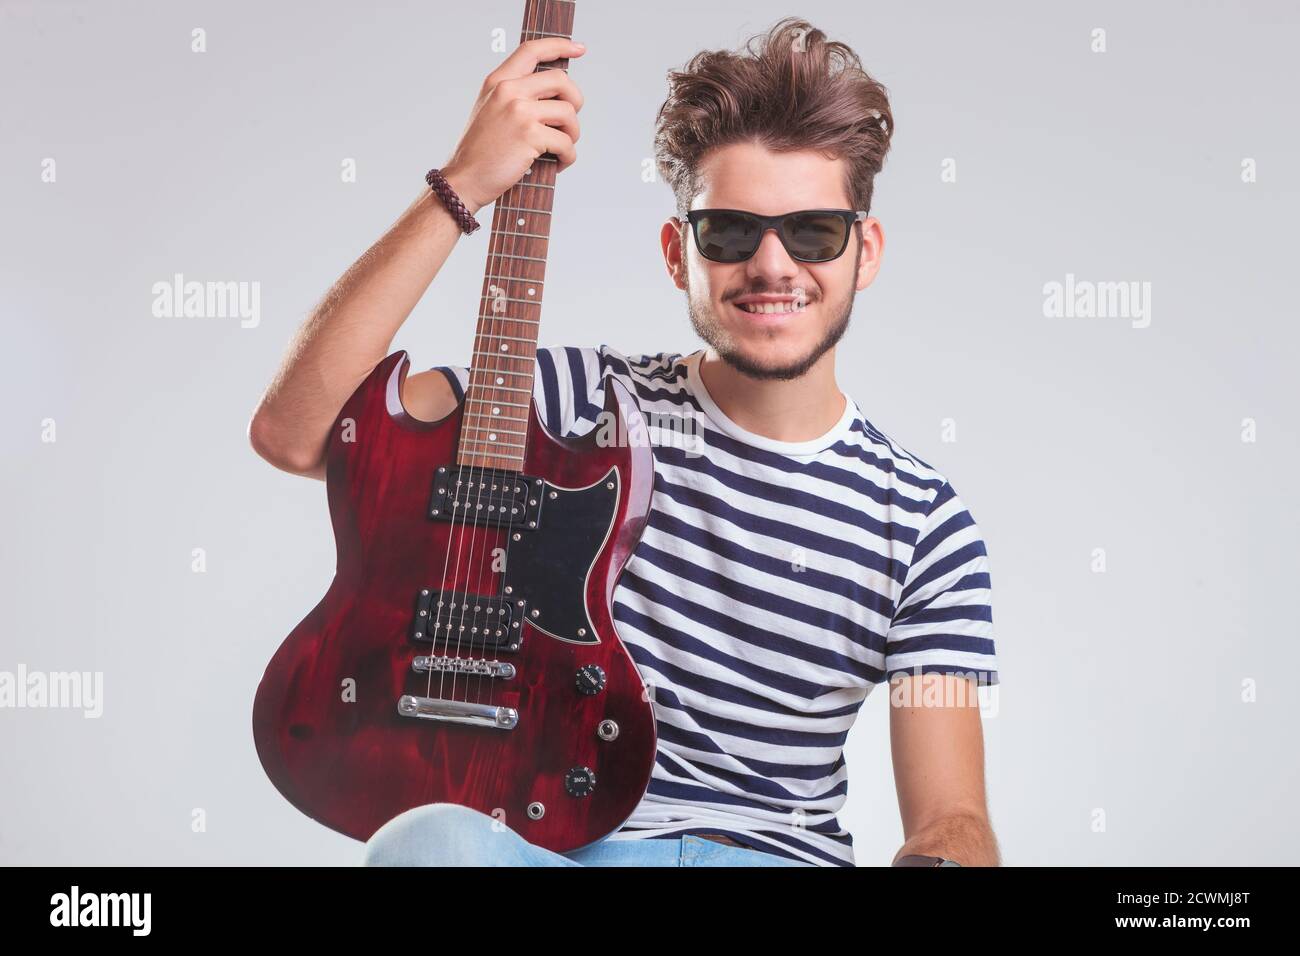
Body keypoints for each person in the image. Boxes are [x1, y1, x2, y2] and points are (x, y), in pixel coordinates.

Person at [249, 16, 1001, 868]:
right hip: (568, 850)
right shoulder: (576, 402)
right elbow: (296, 430)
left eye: (813, 233)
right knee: (432, 841)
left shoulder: (926, 524)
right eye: (728, 233)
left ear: (863, 251)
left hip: (779, 858)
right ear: (679, 254)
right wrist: (461, 185)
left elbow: (953, 820)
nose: (772, 264)